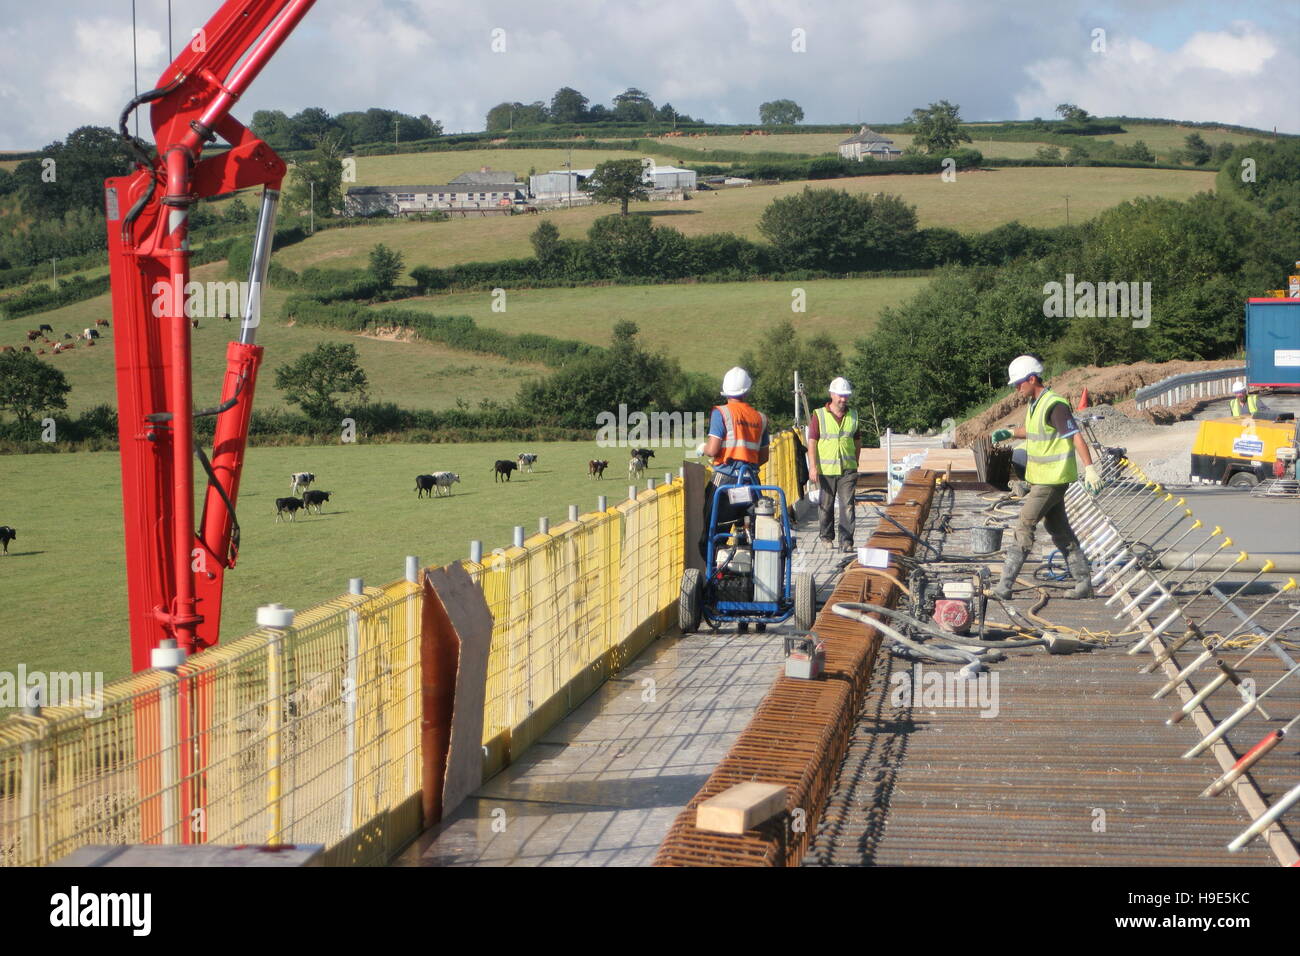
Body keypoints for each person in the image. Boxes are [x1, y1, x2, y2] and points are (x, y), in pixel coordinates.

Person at [989, 355, 1103, 600]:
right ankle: (1084, 583)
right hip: (1044, 479)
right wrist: (1009, 433)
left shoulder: (1054, 405)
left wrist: (1090, 468)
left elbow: (1075, 436)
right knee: (1058, 529)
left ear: (1032, 379)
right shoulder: (1036, 404)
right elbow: (1033, 431)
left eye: (1019, 384)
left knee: (1024, 524)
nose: (1017, 389)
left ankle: (1004, 586)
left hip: (1053, 479)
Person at [699, 367, 769, 557]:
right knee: (753, 536)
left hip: (725, 481)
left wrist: (702, 448)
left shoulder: (721, 413)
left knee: (713, 537)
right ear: (747, 390)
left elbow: (713, 449)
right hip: (751, 483)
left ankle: (716, 576)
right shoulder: (760, 418)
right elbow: (763, 457)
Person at [806, 377, 861, 552]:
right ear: (832, 394)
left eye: (846, 396)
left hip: (847, 469)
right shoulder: (819, 415)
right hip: (826, 469)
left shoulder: (853, 415)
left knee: (848, 505)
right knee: (826, 505)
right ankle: (826, 537)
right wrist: (813, 467)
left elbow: (858, 441)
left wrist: (855, 462)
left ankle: (846, 541)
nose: (843, 399)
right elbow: (812, 442)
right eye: (840, 396)